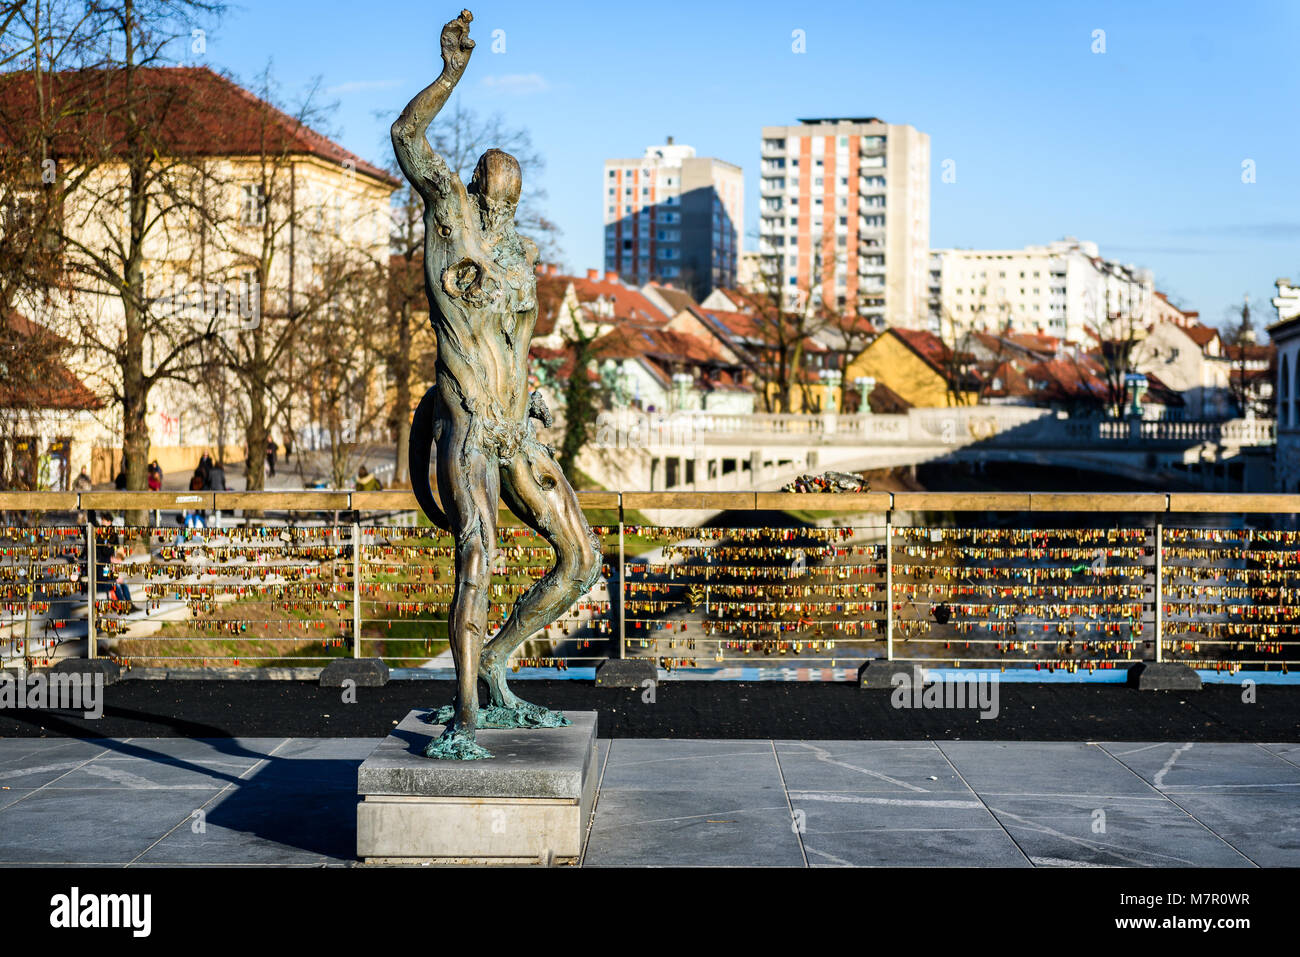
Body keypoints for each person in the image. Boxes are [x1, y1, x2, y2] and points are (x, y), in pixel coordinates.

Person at [394, 10, 601, 759]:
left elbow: (519, 342)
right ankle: (465, 717)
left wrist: (540, 391)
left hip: (518, 427)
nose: (505, 213)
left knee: (582, 560)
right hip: (471, 427)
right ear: (478, 189)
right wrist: (450, 76)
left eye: (513, 205)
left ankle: (500, 662)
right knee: (476, 553)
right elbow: (406, 141)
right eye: (498, 200)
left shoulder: (518, 256)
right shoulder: (451, 216)